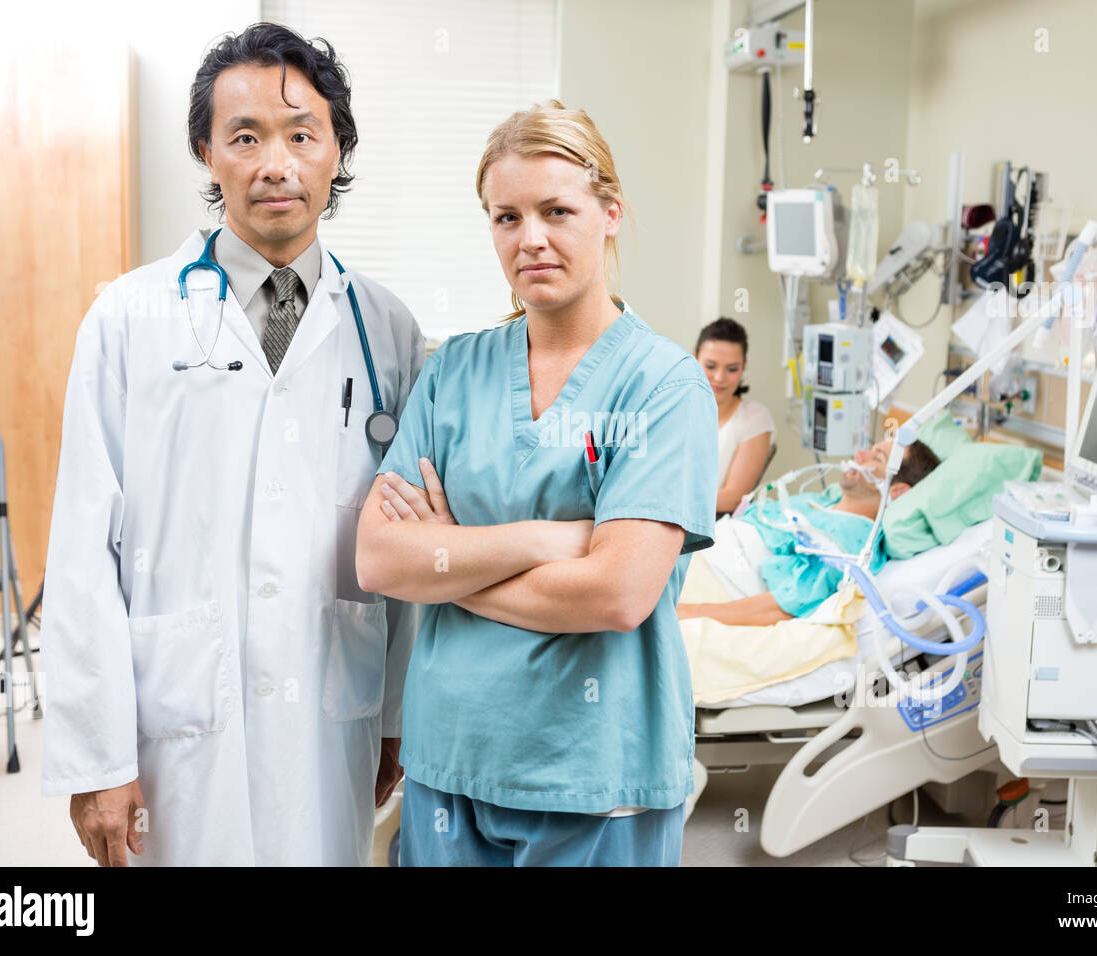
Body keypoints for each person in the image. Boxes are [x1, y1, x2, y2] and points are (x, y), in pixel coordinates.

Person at [39, 23, 425, 866]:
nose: (273, 163)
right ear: (208, 154)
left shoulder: (387, 330)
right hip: (175, 728)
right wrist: (97, 754)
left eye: (300, 134)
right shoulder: (129, 318)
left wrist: (397, 716)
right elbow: (79, 550)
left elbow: (403, 540)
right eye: (244, 136)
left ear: (336, 151)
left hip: (336, 714)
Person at [355, 101, 717, 867]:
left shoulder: (663, 385)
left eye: (557, 211)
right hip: (450, 764)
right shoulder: (452, 371)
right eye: (506, 217)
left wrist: (448, 563)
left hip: (593, 776)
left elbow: (616, 596)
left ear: (610, 212)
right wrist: (542, 542)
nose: (531, 240)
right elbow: (380, 560)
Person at [678, 438, 940, 627]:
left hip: (713, 580)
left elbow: (786, 605)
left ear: (897, 491)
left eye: (877, 458)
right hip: (692, 550)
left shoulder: (854, 543)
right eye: (871, 449)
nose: (860, 455)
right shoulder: (818, 501)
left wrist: (690, 613)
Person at [696, 318, 775, 514]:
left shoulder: (754, 418)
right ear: (694, 358)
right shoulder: (675, 409)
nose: (720, 377)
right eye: (711, 366)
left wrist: (668, 506)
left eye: (732, 369)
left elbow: (733, 498)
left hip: (710, 528)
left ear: (744, 366)